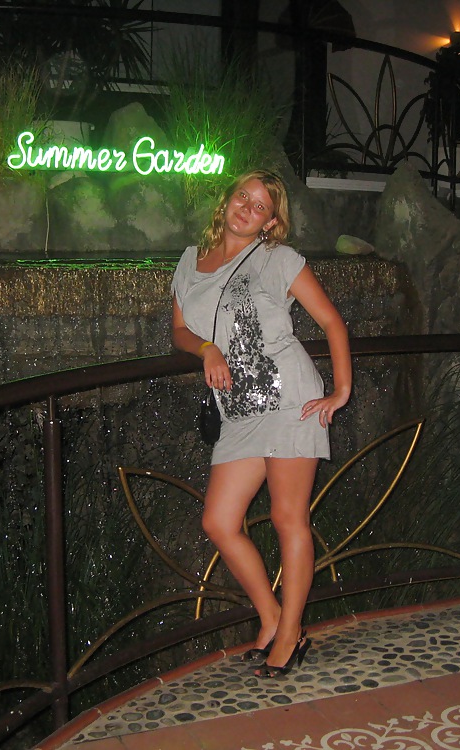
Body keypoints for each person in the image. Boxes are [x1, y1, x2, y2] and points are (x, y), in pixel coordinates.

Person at [170, 169, 352, 678]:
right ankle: (270, 616)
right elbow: (180, 330)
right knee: (218, 521)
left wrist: (341, 390)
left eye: (260, 206)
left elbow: (331, 320)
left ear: (271, 222)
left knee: (287, 518)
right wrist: (207, 349)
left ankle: (290, 632)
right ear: (227, 199)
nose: (247, 208)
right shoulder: (190, 260)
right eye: (243, 196)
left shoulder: (278, 258)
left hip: (290, 398)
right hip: (238, 410)